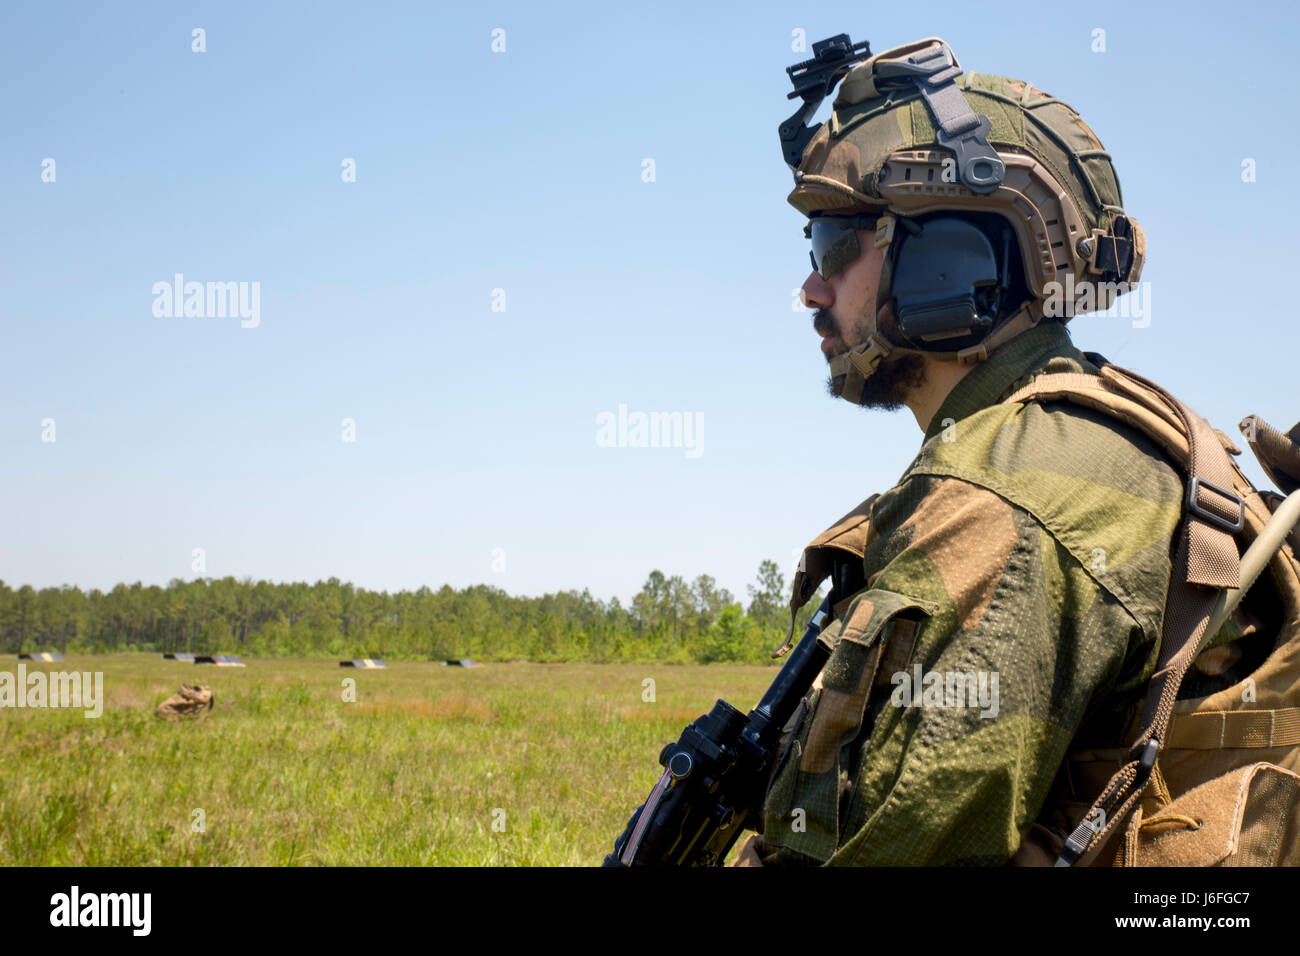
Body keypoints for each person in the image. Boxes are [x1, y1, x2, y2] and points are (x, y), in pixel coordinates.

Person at [732, 35, 1243, 866]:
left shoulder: (1007, 496)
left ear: (949, 257)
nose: (811, 289)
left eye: (836, 244)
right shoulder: (1130, 433)